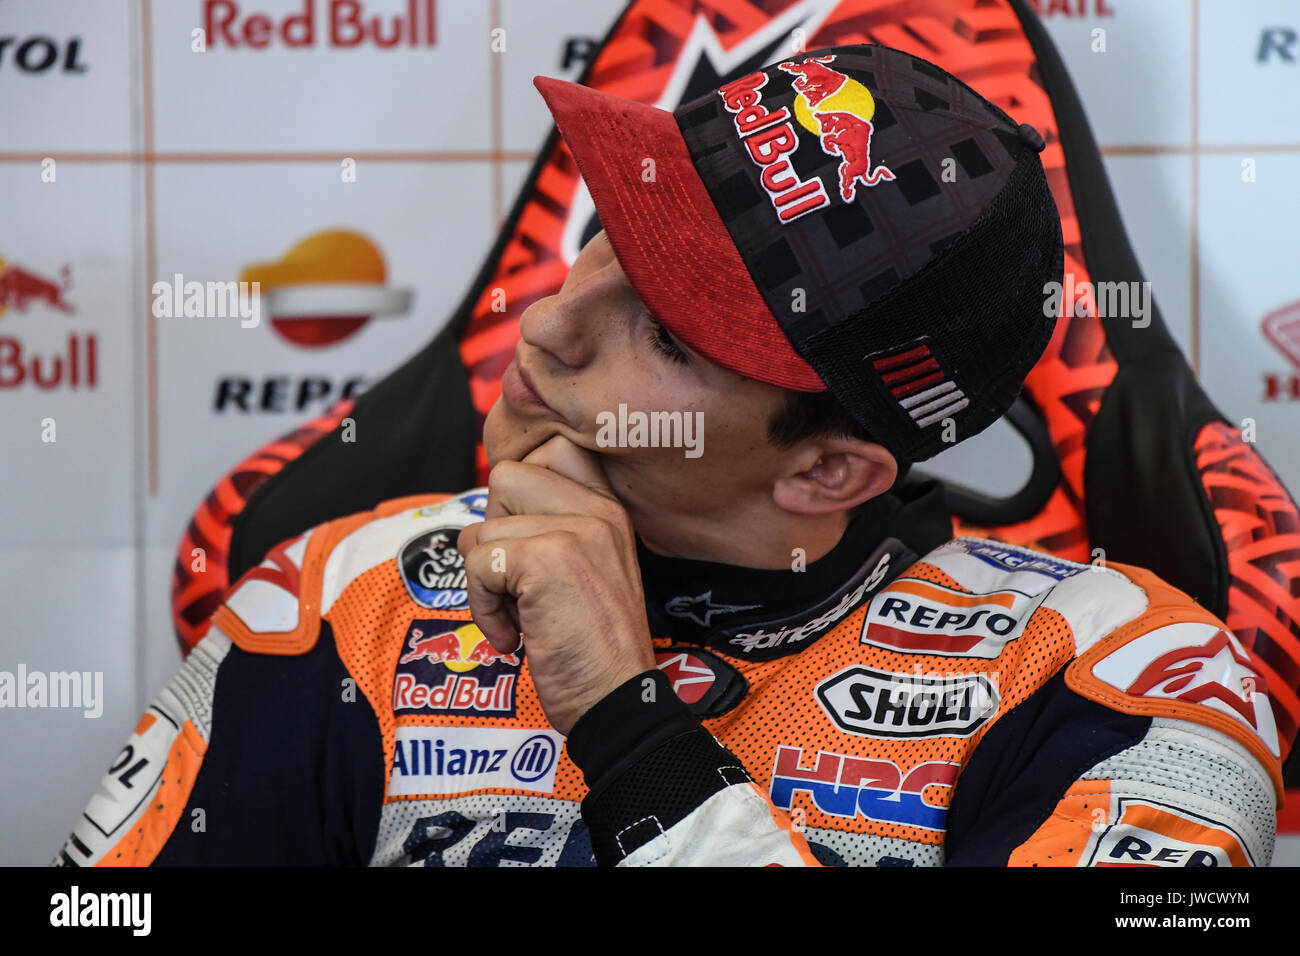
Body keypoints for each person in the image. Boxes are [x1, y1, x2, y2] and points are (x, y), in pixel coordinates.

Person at [55, 44, 1280, 867]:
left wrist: (631, 734)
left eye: (665, 330)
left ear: (828, 472)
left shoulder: (1139, 682)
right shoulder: (339, 599)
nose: (545, 323)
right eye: (605, 238)